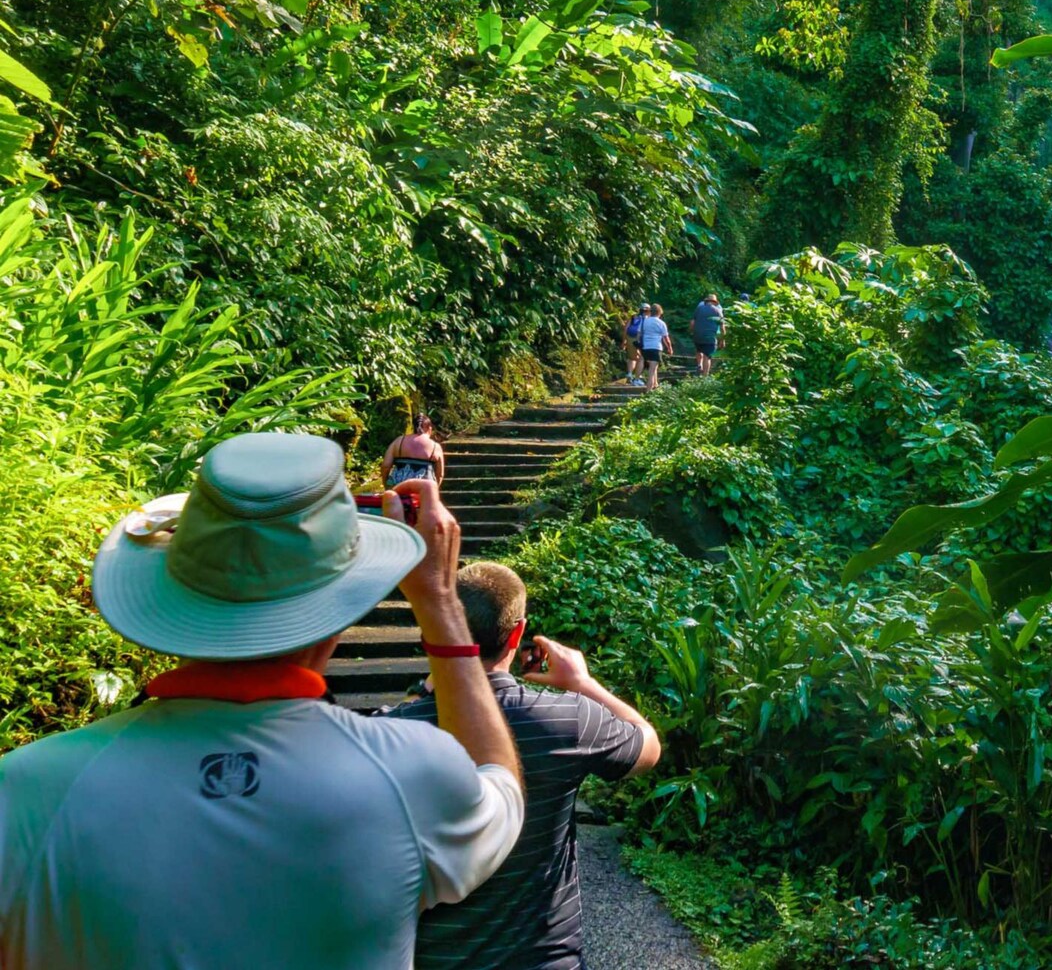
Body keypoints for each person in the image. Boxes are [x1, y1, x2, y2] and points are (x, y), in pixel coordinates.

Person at [0, 432, 525, 969]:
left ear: (169, 596)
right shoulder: (413, 774)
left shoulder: (26, 791)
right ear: (339, 616)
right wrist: (439, 602)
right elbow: (499, 780)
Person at [380, 563, 660, 969]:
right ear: (517, 633)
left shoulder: (388, 735)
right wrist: (582, 682)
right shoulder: (568, 721)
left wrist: (431, 683)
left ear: (433, 632)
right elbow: (648, 747)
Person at [383, 411, 446, 485]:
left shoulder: (398, 441)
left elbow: (386, 466)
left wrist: (385, 483)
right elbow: (440, 474)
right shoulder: (435, 447)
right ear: (430, 428)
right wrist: (434, 490)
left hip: (398, 487)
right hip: (423, 489)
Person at [637, 303, 672, 391]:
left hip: (645, 348)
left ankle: (655, 384)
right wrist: (669, 348)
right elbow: (666, 338)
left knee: (653, 367)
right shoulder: (661, 323)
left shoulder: (645, 321)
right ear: (659, 312)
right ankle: (648, 391)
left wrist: (639, 344)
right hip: (655, 348)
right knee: (651, 371)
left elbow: (639, 334)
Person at [691, 293, 724, 376]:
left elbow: (692, 323)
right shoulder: (717, 311)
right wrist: (722, 340)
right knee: (707, 356)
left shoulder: (699, 309)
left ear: (707, 301)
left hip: (697, 336)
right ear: (714, 302)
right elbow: (722, 327)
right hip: (710, 338)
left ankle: (699, 365)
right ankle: (705, 376)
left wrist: (693, 332)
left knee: (699, 350)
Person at [623, 303, 648, 386]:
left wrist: (624, 341)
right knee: (641, 358)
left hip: (630, 338)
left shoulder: (633, 317)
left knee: (631, 357)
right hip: (641, 339)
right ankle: (637, 377)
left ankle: (630, 374)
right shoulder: (647, 318)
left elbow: (626, 329)